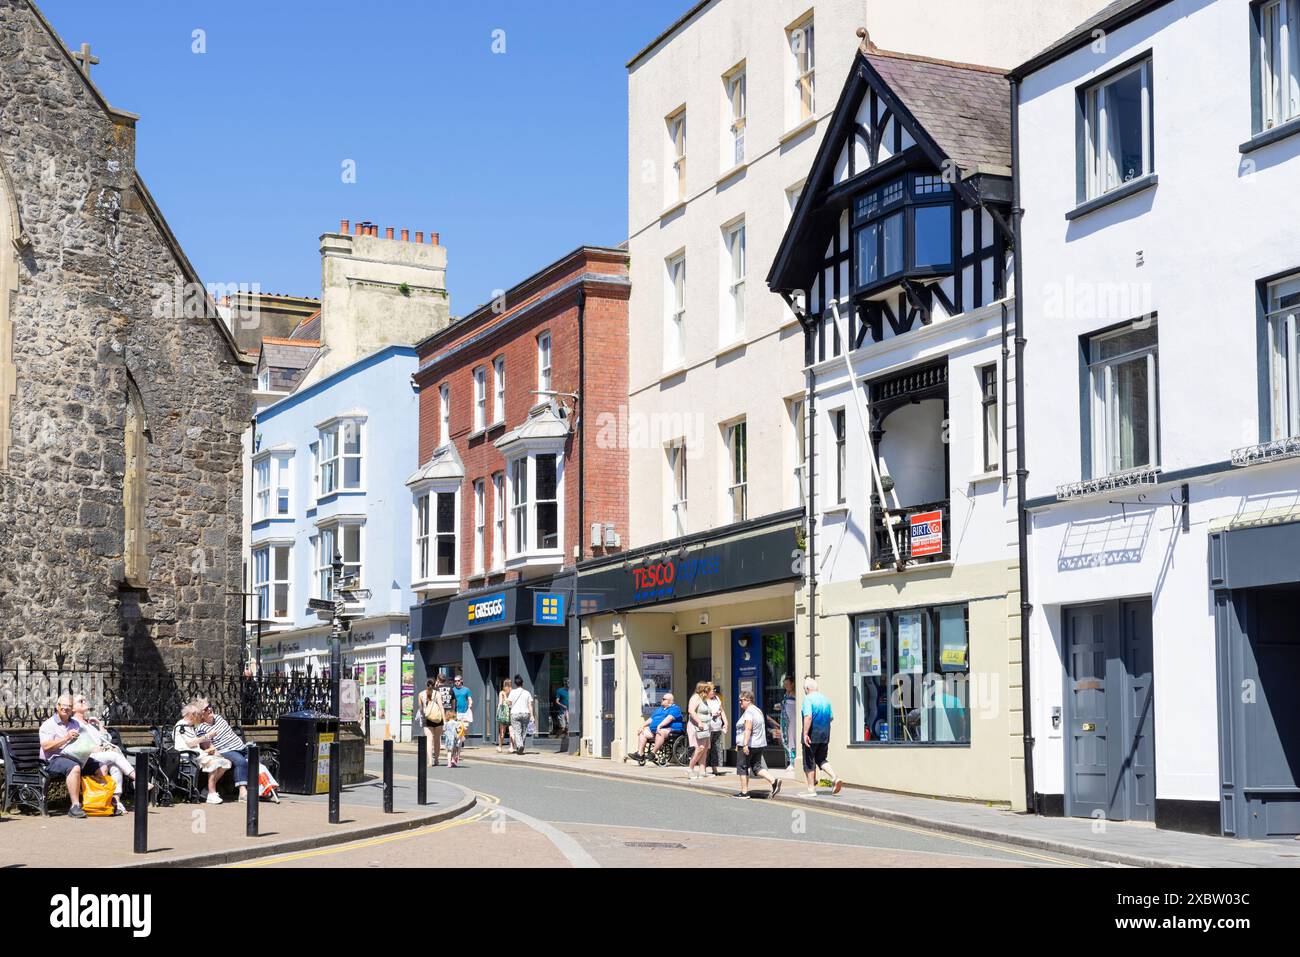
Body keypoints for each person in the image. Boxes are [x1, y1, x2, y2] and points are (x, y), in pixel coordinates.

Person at [71, 693, 149, 813]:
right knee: (115, 756)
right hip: (88, 756)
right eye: (80, 701)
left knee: (115, 766)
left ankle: (116, 801)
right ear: (73, 708)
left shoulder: (89, 722)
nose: (84, 702)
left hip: (102, 754)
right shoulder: (74, 724)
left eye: (84, 700)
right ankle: (140, 781)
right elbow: (76, 743)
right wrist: (91, 748)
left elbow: (107, 739)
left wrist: (100, 725)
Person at [39, 694, 112, 818]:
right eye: (63, 706)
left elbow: (82, 743)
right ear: (57, 706)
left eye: (69, 706)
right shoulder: (48, 724)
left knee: (102, 767)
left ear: (72, 708)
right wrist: (66, 738)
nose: (66, 709)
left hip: (76, 757)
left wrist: (90, 748)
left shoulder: (75, 724)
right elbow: (46, 746)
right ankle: (75, 806)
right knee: (75, 768)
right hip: (53, 759)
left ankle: (96, 803)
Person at [173, 703, 233, 804]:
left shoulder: (190, 726)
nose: (200, 718)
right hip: (187, 756)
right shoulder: (181, 726)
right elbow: (190, 743)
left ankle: (208, 789)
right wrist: (207, 736)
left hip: (196, 754)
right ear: (192, 715)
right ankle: (211, 793)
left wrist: (207, 749)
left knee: (226, 762)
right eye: (198, 715)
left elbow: (195, 744)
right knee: (214, 762)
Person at [193, 698, 249, 802]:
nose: (210, 709)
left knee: (257, 761)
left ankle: (261, 789)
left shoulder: (218, 718)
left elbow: (229, 734)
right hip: (225, 750)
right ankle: (242, 792)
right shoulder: (201, 729)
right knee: (240, 762)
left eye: (209, 706)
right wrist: (217, 753)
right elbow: (208, 748)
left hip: (240, 747)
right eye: (206, 709)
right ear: (201, 714)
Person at [734, 689, 780, 799]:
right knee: (756, 766)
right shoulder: (758, 710)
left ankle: (744, 792)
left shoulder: (749, 712)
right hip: (759, 744)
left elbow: (748, 729)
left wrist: (745, 744)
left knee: (742, 767)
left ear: (748, 700)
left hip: (749, 745)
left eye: (741, 700)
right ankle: (774, 781)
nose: (740, 702)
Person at [801, 677, 842, 796]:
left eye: (804, 688)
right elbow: (831, 718)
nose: (804, 690)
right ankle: (835, 777)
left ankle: (811, 789)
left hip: (812, 734)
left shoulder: (808, 699)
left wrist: (805, 734)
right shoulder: (826, 700)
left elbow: (808, 717)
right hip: (825, 735)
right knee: (821, 759)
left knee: (809, 762)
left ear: (808, 688)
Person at [626, 692, 682, 766]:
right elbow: (651, 719)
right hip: (655, 730)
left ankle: (653, 753)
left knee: (660, 731)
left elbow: (669, 719)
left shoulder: (675, 708)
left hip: (671, 729)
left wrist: (659, 726)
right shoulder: (660, 709)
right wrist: (642, 726)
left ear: (670, 701)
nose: (661, 700)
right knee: (643, 731)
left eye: (664, 699)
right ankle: (640, 754)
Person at [685, 681, 712, 780]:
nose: (709, 692)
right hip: (697, 727)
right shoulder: (695, 698)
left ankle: (702, 771)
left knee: (704, 749)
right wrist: (699, 722)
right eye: (707, 690)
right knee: (700, 748)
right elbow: (691, 710)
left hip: (705, 727)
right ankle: (690, 769)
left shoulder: (703, 699)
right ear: (703, 690)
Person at [418, 679, 444, 766]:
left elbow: (421, 709)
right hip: (437, 718)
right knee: (437, 740)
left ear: (426, 684)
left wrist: (422, 716)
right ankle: (436, 759)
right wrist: (444, 720)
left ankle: (429, 761)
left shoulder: (421, 694)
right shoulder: (437, 693)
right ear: (434, 685)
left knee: (429, 739)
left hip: (427, 717)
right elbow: (441, 707)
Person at [506, 675, 535, 755]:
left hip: (515, 713)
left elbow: (509, 702)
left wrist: (507, 702)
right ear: (522, 683)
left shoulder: (512, 692)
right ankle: (521, 747)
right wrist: (532, 715)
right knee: (524, 731)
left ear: (515, 683)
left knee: (517, 731)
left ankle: (520, 746)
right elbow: (530, 705)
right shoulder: (527, 693)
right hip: (525, 714)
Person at [704, 683, 728, 776]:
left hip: (717, 727)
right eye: (712, 690)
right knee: (707, 748)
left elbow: (722, 711)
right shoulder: (704, 701)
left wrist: (725, 722)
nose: (714, 691)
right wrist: (711, 714)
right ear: (707, 691)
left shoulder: (717, 698)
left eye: (714, 689)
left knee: (716, 748)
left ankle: (714, 768)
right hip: (708, 727)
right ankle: (704, 768)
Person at [495, 678, 512, 753]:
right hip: (511, 713)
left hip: (503, 714)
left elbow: (500, 704)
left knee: (502, 731)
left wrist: (497, 713)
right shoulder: (513, 692)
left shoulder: (501, 693)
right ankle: (511, 747)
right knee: (511, 731)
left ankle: (500, 747)